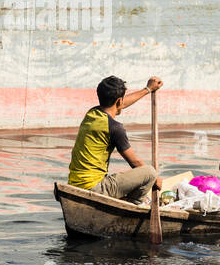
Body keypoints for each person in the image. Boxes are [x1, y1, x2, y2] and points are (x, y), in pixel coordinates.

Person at [67, 75, 164, 203]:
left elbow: (120, 104)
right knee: (150, 172)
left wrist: (147, 89)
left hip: (74, 184)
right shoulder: (115, 128)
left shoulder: (91, 113)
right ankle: (131, 203)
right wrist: (156, 179)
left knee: (147, 173)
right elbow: (135, 162)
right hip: (94, 188)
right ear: (119, 101)